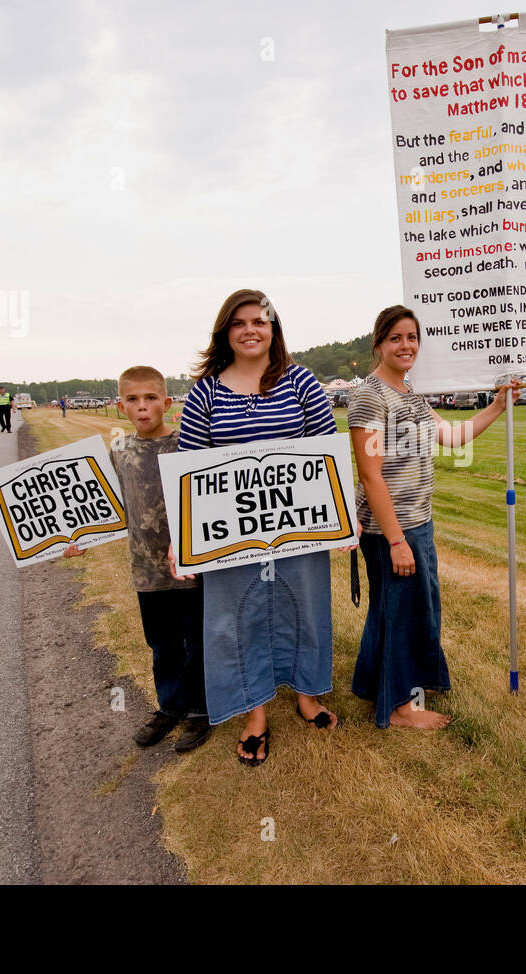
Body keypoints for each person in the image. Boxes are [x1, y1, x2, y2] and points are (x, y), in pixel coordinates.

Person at [177, 289, 339, 766]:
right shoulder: (205, 390)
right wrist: (179, 541)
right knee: (238, 618)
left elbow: (328, 454)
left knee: (304, 610)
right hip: (230, 532)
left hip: (300, 527)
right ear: (225, 331)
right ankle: (255, 714)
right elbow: (188, 468)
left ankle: (308, 695)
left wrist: (343, 520)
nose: (250, 329)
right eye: (239, 322)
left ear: (274, 329)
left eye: (260, 322)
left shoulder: (302, 382)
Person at [348, 305, 516, 729]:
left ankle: (376, 685)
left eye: (412, 338)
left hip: (419, 521)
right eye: (395, 338)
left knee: (400, 609)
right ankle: (402, 708)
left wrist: (497, 406)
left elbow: (453, 436)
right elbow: (370, 475)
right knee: (402, 614)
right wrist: (396, 540)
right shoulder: (371, 395)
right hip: (393, 528)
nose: (406, 346)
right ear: (379, 344)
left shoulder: (412, 395)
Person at [64, 366, 210, 752]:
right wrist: (80, 537)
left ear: (166, 402)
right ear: (120, 406)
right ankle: (170, 707)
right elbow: (105, 508)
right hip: (146, 570)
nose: (142, 407)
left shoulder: (187, 445)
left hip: (190, 569)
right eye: (133, 400)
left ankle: (199, 710)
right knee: (162, 644)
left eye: (150, 399)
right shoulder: (120, 451)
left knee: (196, 640)